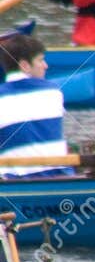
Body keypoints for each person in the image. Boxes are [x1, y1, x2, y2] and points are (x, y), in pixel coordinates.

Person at [0, 33, 70, 179]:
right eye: (41, 60)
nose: (46, 66)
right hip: (61, 177)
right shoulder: (54, 91)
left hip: (15, 181)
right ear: (25, 65)